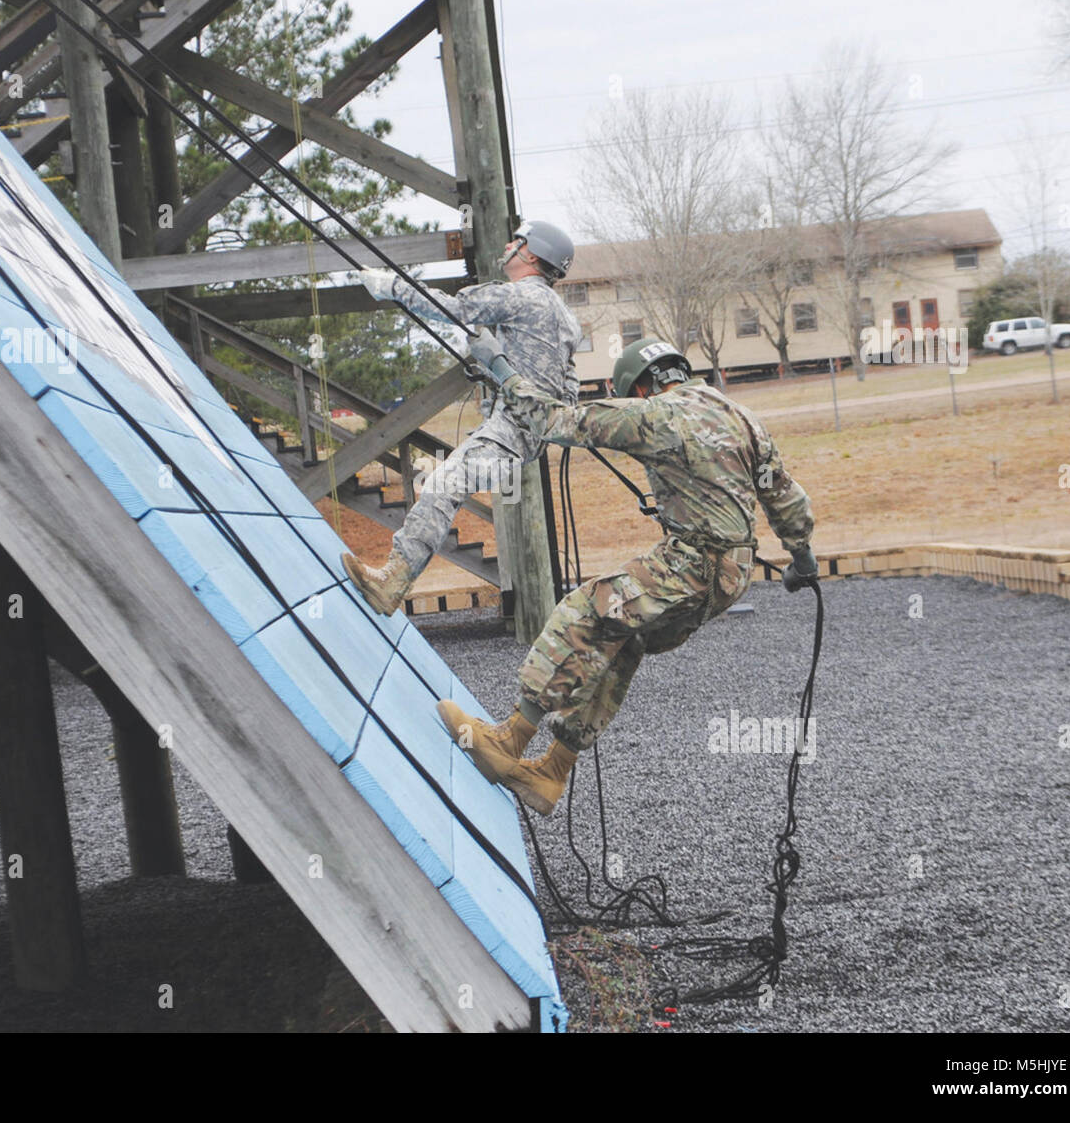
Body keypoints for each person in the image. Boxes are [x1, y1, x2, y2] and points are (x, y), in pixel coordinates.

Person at [436, 335, 818, 815]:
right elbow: (783, 496)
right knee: (624, 640)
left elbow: (553, 421)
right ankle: (551, 772)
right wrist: (802, 558)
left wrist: (500, 368)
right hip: (729, 576)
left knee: (588, 610)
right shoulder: (741, 417)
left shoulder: (653, 415)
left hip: (691, 565)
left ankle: (508, 740)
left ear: (641, 387)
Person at [342, 221, 582, 614]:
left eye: (517, 241)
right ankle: (394, 578)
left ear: (532, 255)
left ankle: (393, 581)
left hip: (509, 432)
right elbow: (565, 392)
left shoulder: (521, 297)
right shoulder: (565, 317)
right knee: (445, 483)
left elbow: (452, 309)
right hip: (530, 436)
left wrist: (391, 288)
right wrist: (500, 368)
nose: (507, 245)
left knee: (442, 484)